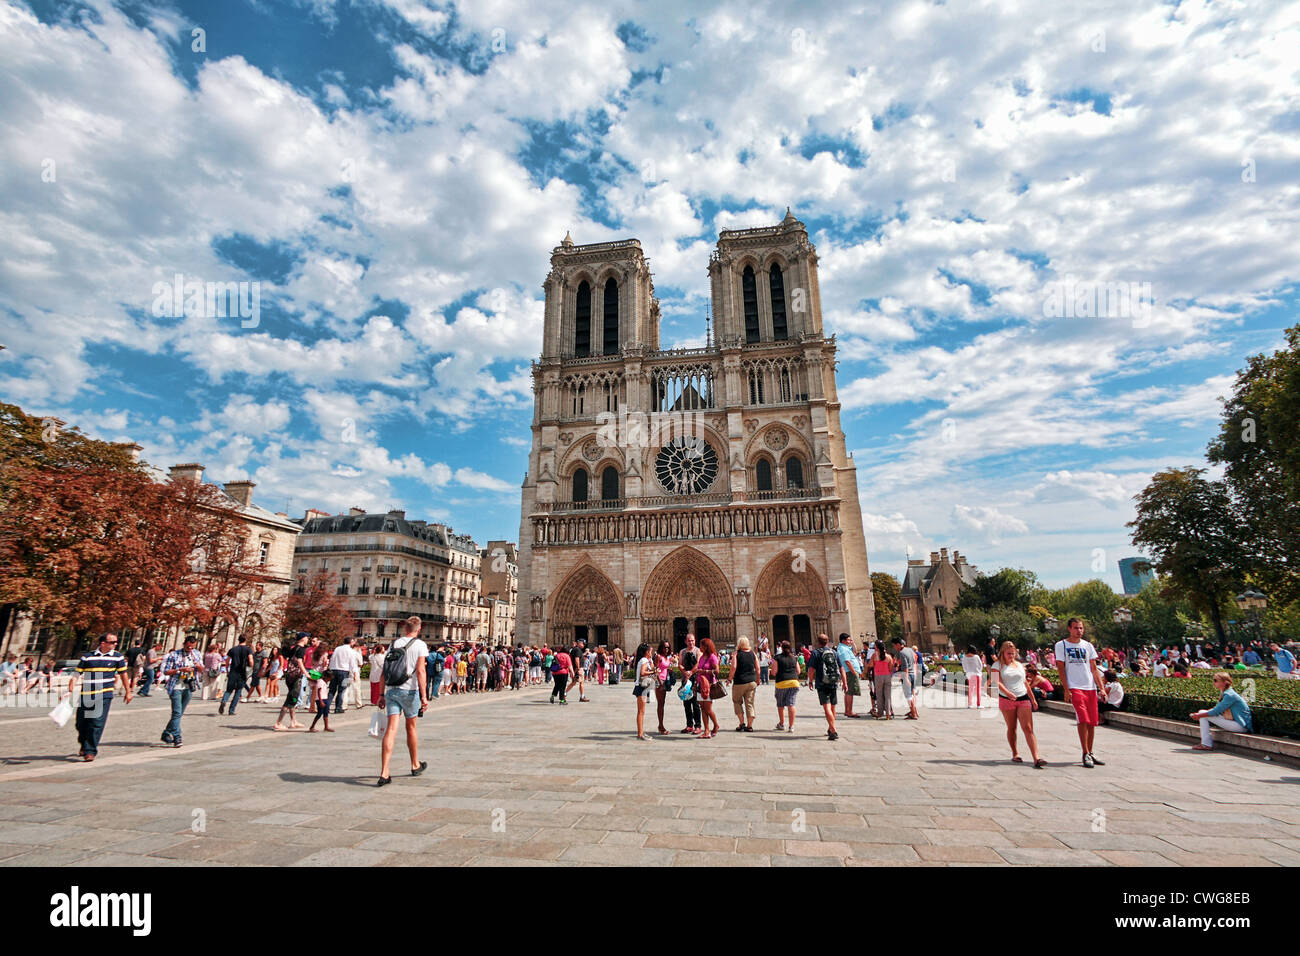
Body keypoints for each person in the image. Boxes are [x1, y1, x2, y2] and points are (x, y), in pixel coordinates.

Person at [378, 616, 429, 786]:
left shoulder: (393, 644)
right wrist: (424, 696)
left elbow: (384, 671)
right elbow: (421, 671)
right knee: (411, 728)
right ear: (418, 629)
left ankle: (385, 772)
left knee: (391, 730)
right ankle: (415, 765)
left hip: (392, 690)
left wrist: (381, 694)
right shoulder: (420, 645)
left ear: (404, 628)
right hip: (410, 691)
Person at [69, 632, 133, 761]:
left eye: (116, 642)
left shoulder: (117, 657)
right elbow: (77, 674)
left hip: (104, 694)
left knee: (96, 722)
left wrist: (128, 691)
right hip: (86, 694)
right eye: (112, 642)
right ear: (103, 643)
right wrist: (70, 690)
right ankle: (84, 743)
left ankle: (90, 751)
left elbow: (123, 674)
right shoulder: (87, 657)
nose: (116, 644)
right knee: (81, 723)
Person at [1054, 618, 1107, 769]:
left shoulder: (1088, 645)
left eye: (1081, 628)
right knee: (1082, 719)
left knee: (1092, 721)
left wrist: (1101, 688)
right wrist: (1066, 689)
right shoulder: (1061, 645)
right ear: (1069, 629)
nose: (1079, 631)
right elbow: (1061, 668)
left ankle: (1090, 751)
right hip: (1075, 686)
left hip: (1089, 687)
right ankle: (1085, 752)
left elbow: (1094, 668)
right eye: (1076, 628)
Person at [991, 640, 1045, 768]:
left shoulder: (1019, 665)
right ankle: (1015, 753)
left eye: (1013, 653)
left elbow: (1025, 683)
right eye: (1008, 653)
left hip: (1022, 697)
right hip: (1006, 699)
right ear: (1003, 653)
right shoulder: (997, 665)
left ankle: (1036, 758)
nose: (1011, 656)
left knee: (1028, 728)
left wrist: (1032, 698)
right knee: (1012, 727)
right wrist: (1007, 692)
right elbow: (996, 681)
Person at [1189, 672, 1254, 750]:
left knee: (1202, 714)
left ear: (1224, 682)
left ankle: (1206, 744)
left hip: (1241, 726)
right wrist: (1200, 715)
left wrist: (1198, 716)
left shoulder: (1230, 695)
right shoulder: (1225, 692)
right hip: (1235, 722)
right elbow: (1217, 709)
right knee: (1202, 713)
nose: (1214, 682)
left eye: (1216, 680)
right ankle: (1205, 744)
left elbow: (1216, 711)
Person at [160, 635, 203, 748]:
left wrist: (198, 666)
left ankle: (166, 733)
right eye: (188, 647)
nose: (190, 649)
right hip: (176, 687)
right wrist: (180, 670)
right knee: (177, 713)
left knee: (179, 714)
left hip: (189, 686)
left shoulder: (197, 654)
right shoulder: (174, 655)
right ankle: (177, 737)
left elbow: (203, 669)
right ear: (184, 644)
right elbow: (166, 671)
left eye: (192, 647)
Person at [273, 633, 310, 731]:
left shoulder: (294, 648)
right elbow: (299, 662)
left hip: (289, 675)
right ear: (303, 639)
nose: (308, 639)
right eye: (307, 637)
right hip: (296, 676)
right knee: (291, 699)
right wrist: (306, 673)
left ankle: (293, 721)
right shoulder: (301, 649)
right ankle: (278, 723)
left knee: (293, 698)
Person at [808, 633, 842, 740]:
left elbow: (811, 669)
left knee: (827, 707)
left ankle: (833, 729)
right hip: (833, 682)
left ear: (818, 642)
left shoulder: (816, 653)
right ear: (827, 641)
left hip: (822, 683)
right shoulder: (834, 652)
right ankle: (830, 728)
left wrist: (810, 680)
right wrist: (844, 682)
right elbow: (841, 668)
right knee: (833, 706)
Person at [730, 636, 759, 732]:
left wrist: (729, 679)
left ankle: (742, 723)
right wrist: (758, 680)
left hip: (739, 682)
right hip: (751, 682)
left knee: (737, 702)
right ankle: (749, 726)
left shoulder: (736, 654)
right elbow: (758, 669)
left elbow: (733, 667)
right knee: (749, 703)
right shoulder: (753, 654)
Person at [219, 635, 253, 716]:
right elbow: (251, 661)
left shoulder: (233, 649)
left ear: (238, 640)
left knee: (229, 690)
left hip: (233, 672)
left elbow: (227, 661)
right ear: (246, 639)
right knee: (238, 691)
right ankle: (231, 710)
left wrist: (227, 670)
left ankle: (224, 701)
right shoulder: (248, 649)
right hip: (242, 673)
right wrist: (251, 668)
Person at [696, 638, 722, 739]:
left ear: (706, 647)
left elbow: (717, 671)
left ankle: (715, 725)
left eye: (701, 646)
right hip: (700, 685)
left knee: (708, 709)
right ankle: (706, 730)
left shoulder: (712, 657)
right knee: (702, 708)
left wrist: (705, 672)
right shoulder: (702, 657)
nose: (700, 647)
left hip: (709, 686)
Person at [772, 640, 800, 732]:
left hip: (781, 683)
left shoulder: (777, 658)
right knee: (791, 704)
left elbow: (774, 672)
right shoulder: (794, 658)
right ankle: (791, 726)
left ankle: (782, 723)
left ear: (781, 648)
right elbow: (799, 671)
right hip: (794, 682)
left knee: (781, 705)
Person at [678, 633, 702, 734]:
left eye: (692, 640)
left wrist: (691, 672)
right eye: (689, 641)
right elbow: (680, 664)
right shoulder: (682, 652)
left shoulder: (698, 651)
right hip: (685, 679)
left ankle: (698, 725)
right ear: (686, 641)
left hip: (695, 679)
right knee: (686, 703)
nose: (691, 642)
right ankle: (689, 725)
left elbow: (698, 664)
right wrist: (685, 673)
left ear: (695, 641)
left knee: (696, 703)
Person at [892, 636, 919, 720]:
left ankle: (913, 713)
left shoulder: (902, 653)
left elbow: (905, 666)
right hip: (913, 674)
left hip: (907, 675)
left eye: (894, 645)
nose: (894, 647)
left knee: (908, 695)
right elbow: (914, 662)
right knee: (913, 693)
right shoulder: (910, 650)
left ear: (898, 645)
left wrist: (906, 678)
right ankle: (915, 711)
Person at [838, 634, 864, 718]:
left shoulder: (844, 648)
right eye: (848, 640)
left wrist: (853, 643)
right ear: (843, 640)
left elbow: (855, 652)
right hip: (850, 672)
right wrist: (854, 672)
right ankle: (849, 711)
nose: (850, 641)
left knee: (848, 692)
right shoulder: (843, 649)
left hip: (849, 671)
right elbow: (847, 661)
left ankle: (847, 710)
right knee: (850, 692)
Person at [632, 642, 655, 740]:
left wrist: (651, 662)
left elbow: (652, 668)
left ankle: (641, 732)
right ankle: (640, 734)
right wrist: (653, 672)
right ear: (646, 652)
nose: (652, 652)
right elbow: (642, 673)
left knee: (641, 711)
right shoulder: (644, 660)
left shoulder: (645, 660)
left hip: (642, 687)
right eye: (650, 651)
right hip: (642, 687)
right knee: (641, 712)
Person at [871, 640, 895, 719]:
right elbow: (891, 667)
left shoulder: (875, 656)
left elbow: (870, 664)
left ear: (877, 647)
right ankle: (888, 714)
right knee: (888, 695)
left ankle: (880, 713)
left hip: (878, 676)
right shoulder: (888, 656)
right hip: (887, 676)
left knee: (879, 695)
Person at [653, 641, 672, 735]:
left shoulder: (666, 657)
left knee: (662, 703)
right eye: (665, 647)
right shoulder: (658, 656)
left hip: (665, 681)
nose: (666, 649)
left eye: (668, 647)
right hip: (659, 682)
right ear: (661, 647)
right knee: (660, 704)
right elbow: (655, 670)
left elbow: (664, 668)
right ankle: (661, 726)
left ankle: (661, 725)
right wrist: (660, 683)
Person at [568, 638, 590, 702]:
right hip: (579, 668)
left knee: (574, 683)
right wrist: (578, 668)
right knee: (581, 683)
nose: (584, 645)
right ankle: (582, 697)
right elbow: (577, 659)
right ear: (580, 643)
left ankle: (564, 694)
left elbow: (578, 657)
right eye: (583, 644)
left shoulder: (575, 649)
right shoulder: (577, 650)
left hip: (577, 668)